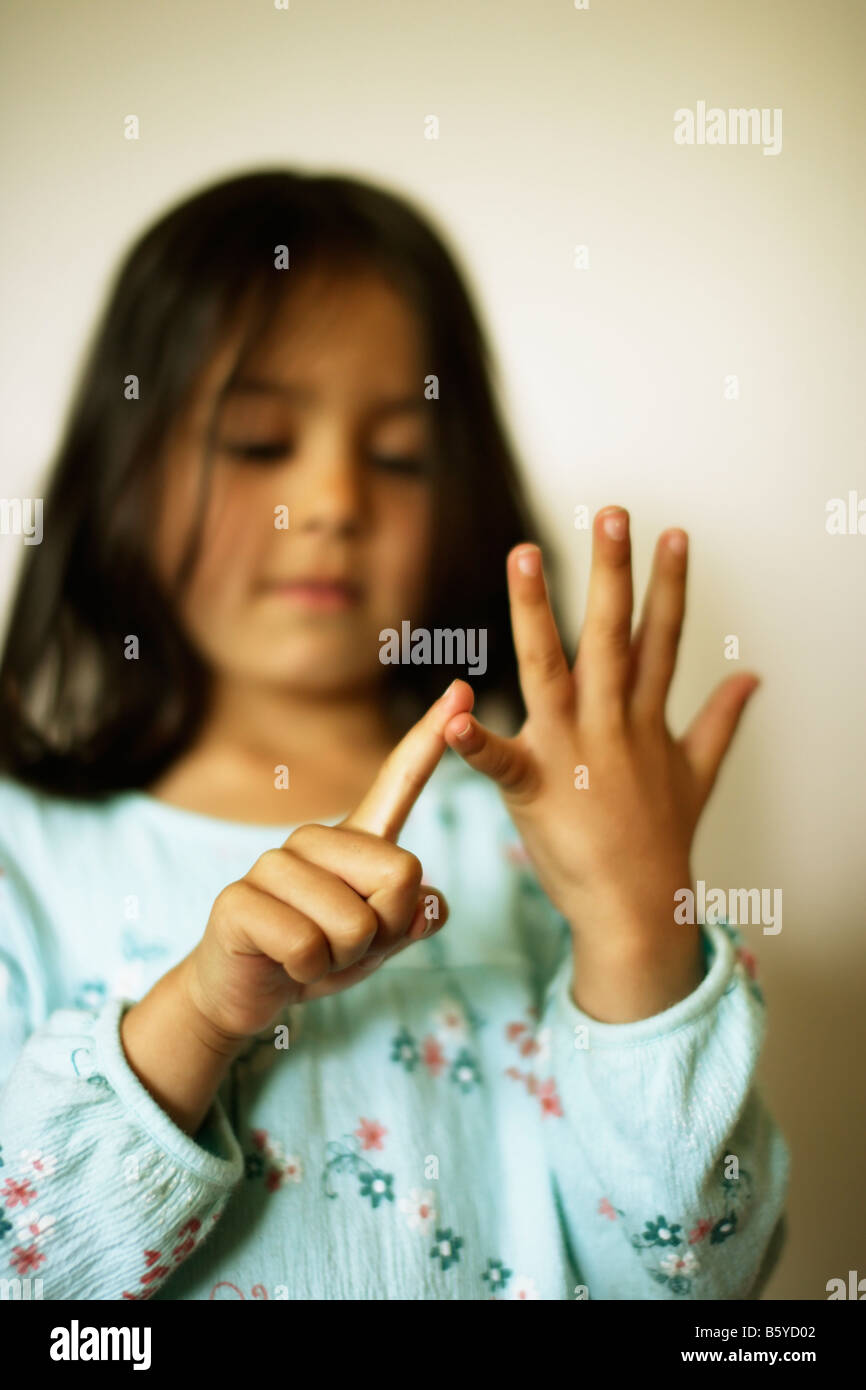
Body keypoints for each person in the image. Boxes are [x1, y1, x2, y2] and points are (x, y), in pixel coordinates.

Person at [0, 170, 788, 1300]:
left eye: (400, 456)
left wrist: (632, 925)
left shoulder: (542, 857)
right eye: (261, 440)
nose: (329, 498)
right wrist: (201, 1017)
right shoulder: (21, 858)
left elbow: (702, 1285)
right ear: (121, 471)